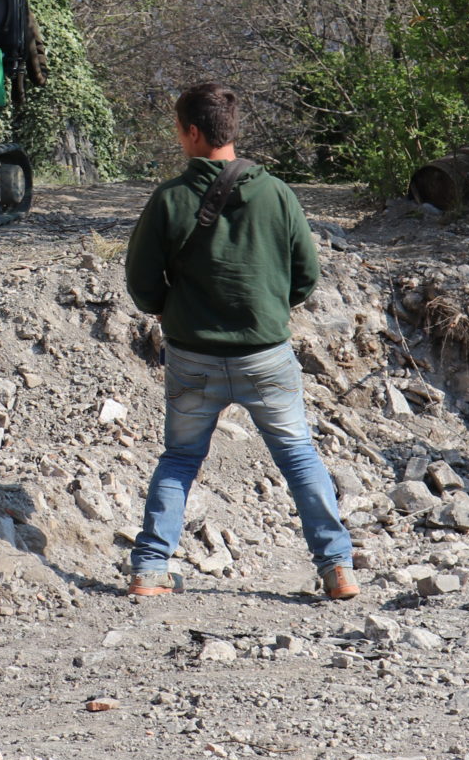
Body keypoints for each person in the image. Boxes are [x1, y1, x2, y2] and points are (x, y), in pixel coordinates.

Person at [120, 83, 358, 601]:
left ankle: (150, 569)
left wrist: (173, 308)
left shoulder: (169, 198)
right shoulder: (276, 193)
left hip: (192, 357)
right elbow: (306, 276)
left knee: (180, 460)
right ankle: (337, 568)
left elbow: (140, 283)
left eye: (179, 130)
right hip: (266, 356)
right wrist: (268, 308)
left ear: (193, 132)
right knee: (298, 455)